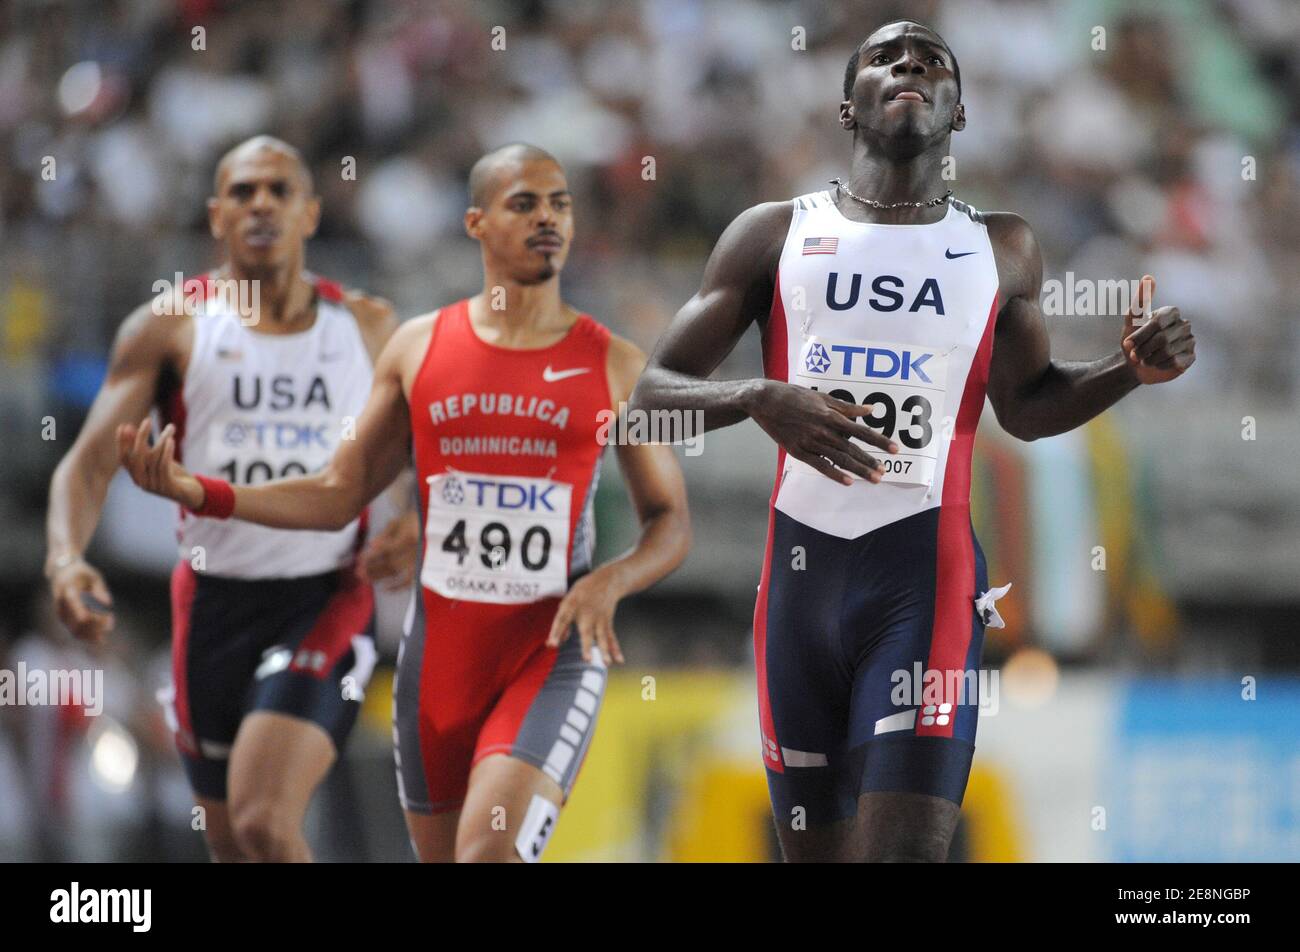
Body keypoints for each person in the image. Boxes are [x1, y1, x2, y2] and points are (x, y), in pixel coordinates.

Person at [628, 19, 1196, 862]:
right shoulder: (773, 233)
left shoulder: (1000, 246)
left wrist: (1124, 369)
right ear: (847, 103)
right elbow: (644, 408)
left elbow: (1028, 408)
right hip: (799, 590)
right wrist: (757, 396)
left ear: (959, 114)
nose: (909, 67)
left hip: (923, 585)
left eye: (933, 62)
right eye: (886, 57)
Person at [116, 143, 693, 863]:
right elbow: (337, 494)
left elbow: (669, 520)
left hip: (551, 649)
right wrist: (202, 491)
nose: (547, 218)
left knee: (491, 853)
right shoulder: (419, 349)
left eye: (560, 204)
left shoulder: (614, 362)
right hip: (439, 656)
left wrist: (613, 578)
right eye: (525, 204)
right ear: (477, 223)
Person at [46, 135, 417, 862]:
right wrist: (64, 560)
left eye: (279, 190)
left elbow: (431, 448)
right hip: (211, 604)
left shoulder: (371, 329)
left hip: (326, 597)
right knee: (231, 847)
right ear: (216, 216)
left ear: (310, 213)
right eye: (243, 192)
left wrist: (418, 523)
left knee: (263, 822)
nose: (261, 205)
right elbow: (85, 466)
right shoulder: (170, 329)